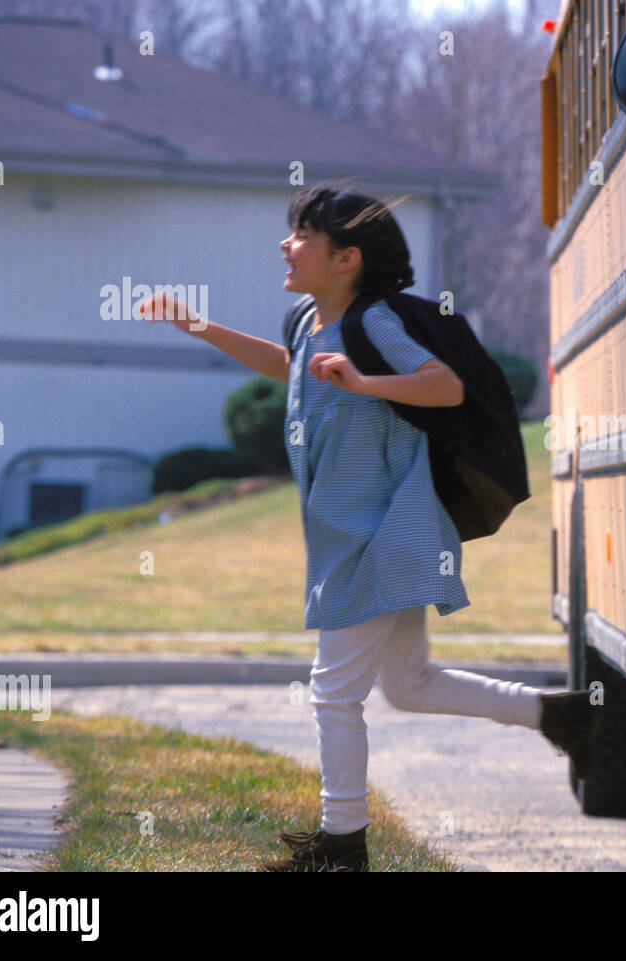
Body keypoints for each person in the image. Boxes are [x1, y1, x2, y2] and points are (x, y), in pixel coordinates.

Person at [142, 182, 600, 872]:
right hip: (353, 530)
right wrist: (199, 326)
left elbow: (444, 384)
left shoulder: (374, 321)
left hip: (384, 530)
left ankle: (342, 846)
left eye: (301, 235)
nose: (285, 244)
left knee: (333, 690)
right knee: (408, 682)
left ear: (347, 257)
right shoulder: (307, 320)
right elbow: (289, 365)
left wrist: (365, 382)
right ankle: (558, 716)